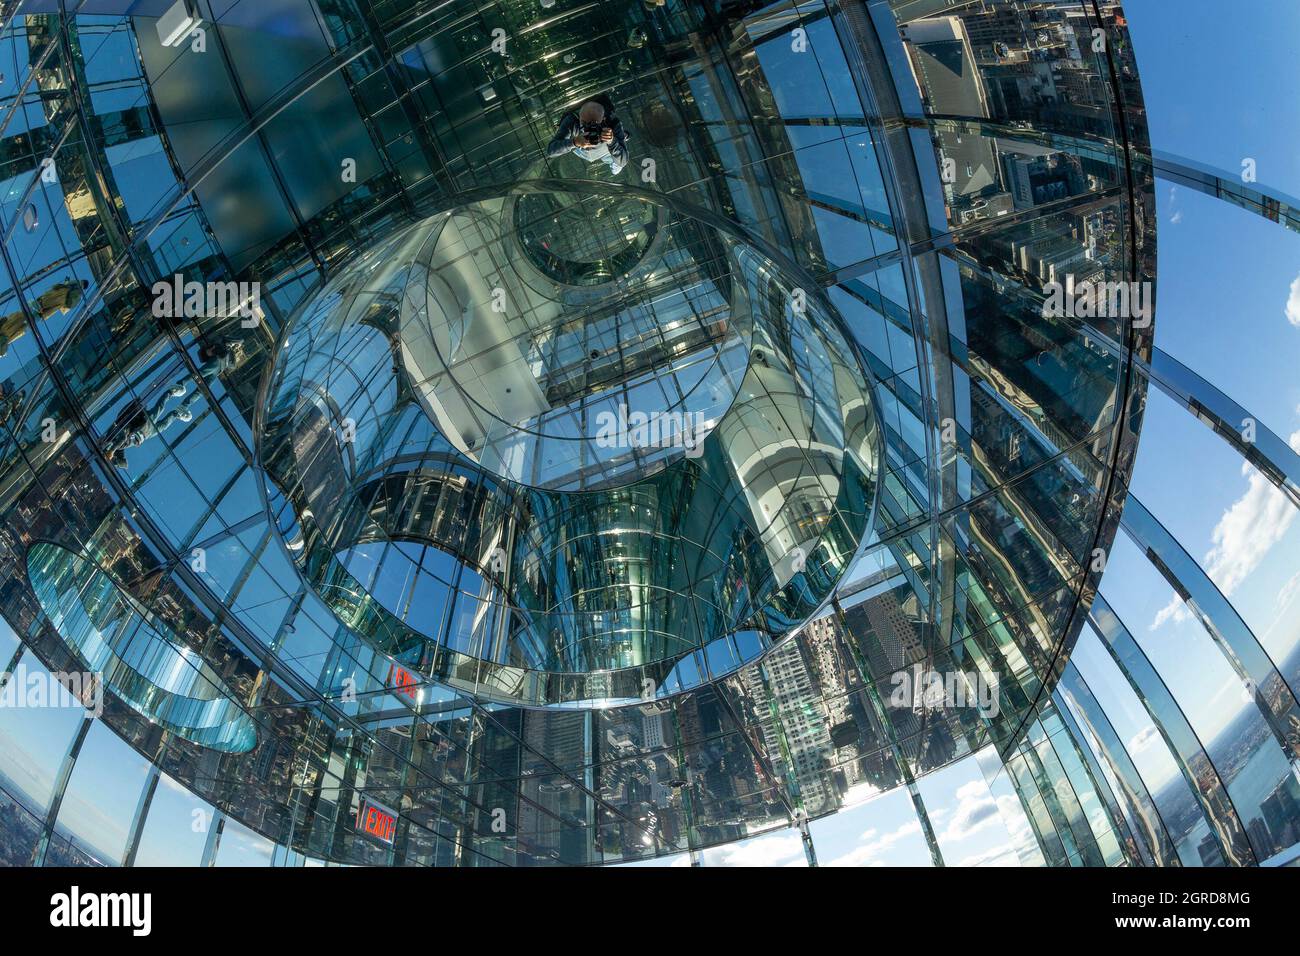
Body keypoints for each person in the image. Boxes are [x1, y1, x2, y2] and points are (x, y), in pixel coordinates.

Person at [0, 279, 89, 357]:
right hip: (53, 301)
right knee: (37, 311)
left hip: (54, 299)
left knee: (37, 308)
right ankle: (37, 311)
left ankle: (37, 310)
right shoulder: (76, 292)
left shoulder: (72, 287)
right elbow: (69, 304)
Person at [545, 95, 629, 176]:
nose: (589, 129)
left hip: (603, 152)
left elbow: (623, 162)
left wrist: (612, 141)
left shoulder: (613, 123)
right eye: (585, 123)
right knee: (615, 164)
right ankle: (622, 137)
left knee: (616, 168)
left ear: (603, 119)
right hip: (583, 150)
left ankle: (621, 137)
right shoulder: (571, 121)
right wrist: (574, 142)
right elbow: (550, 151)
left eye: (594, 123)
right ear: (579, 118)